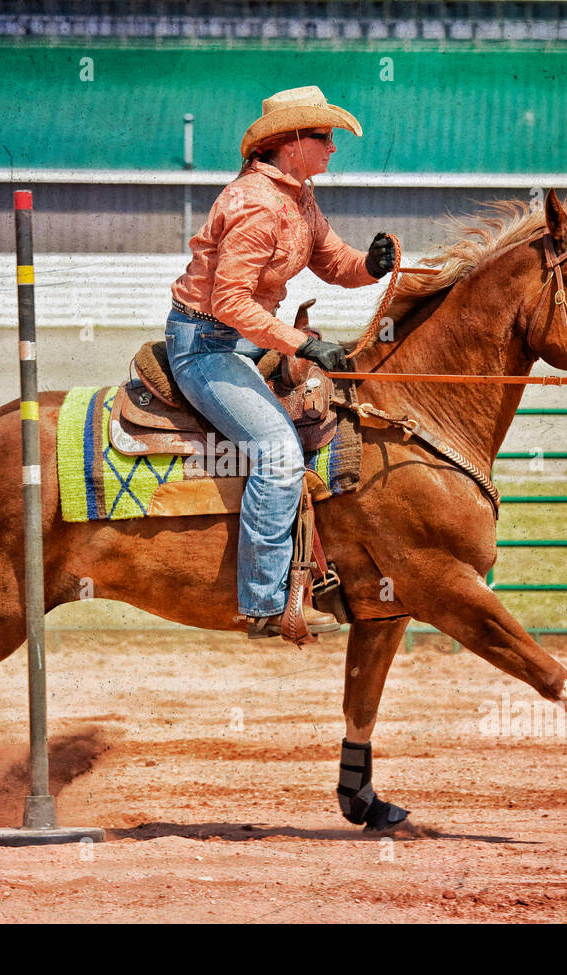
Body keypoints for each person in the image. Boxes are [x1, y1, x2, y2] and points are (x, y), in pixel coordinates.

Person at [167, 85, 396, 638]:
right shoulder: (255, 205)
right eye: (324, 137)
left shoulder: (299, 198)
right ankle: (264, 602)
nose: (333, 148)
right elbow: (229, 302)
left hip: (248, 338)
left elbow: (333, 260)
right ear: (291, 142)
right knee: (275, 453)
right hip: (207, 345)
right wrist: (300, 344)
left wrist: (368, 264)